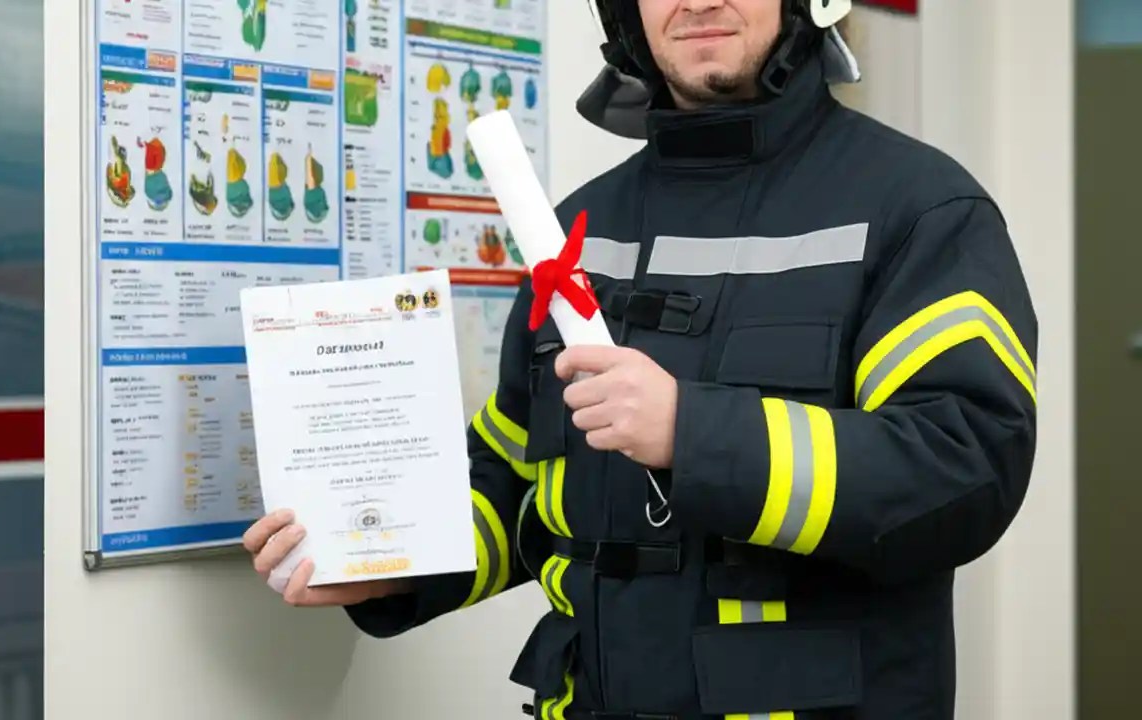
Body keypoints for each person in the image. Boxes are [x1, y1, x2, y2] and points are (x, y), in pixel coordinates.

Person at [241, 0, 1039, 717]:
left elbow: (962, 466)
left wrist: (693, 433)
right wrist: (388, 561)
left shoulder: (919, 209)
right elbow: (518, 478)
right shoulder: (581, 229)